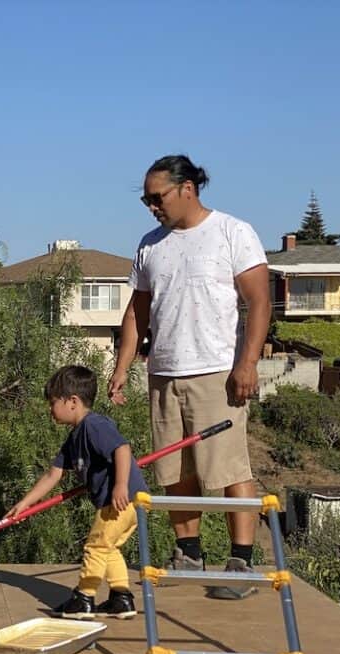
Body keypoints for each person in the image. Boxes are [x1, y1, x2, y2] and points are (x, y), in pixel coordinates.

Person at [107, 154, 271, 599]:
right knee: (174, 468)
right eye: (146, 199)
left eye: (156, 197)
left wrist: (248, 363)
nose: (151, 206)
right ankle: (188, 552)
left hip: (217, 371)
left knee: (229, 466)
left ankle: (241, 562)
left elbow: (259, 301)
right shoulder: (150, 245)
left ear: (187, 189)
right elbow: (138, 312)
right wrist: (122, 367)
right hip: (164, 372)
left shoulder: (232, 232)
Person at [7, 365, 148, 619]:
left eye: (53, 403)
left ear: (72, 401)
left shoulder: (94, 425)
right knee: (108, 548)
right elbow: (53, 474)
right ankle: (121, 598)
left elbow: (122, 449)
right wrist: (25, 503)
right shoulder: (74, 439)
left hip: (121, 499)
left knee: (95, 546)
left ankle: (84, 598)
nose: (50, 409)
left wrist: (119, 485)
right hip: (126, 502)